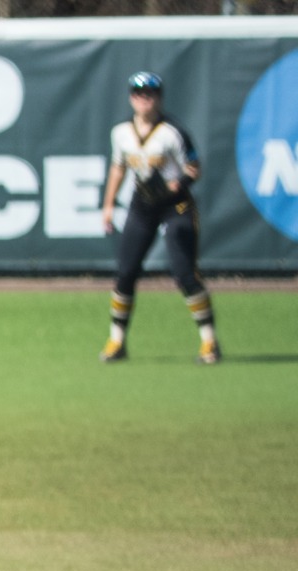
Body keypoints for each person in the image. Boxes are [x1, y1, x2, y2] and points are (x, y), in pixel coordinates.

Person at [99, 71, 220, 365]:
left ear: (159, 98)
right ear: (131, 98)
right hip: (142, 205)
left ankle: (209, 342)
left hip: (175, 206)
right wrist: (108, 205)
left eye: (150, 94)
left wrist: (175, 184)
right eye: (139, 94)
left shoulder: (172, 131)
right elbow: (119, 167)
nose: (144, 99)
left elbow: (194, 168)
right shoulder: (122, 133)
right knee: (126, 272)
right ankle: (117, 341)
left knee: (184, 274)